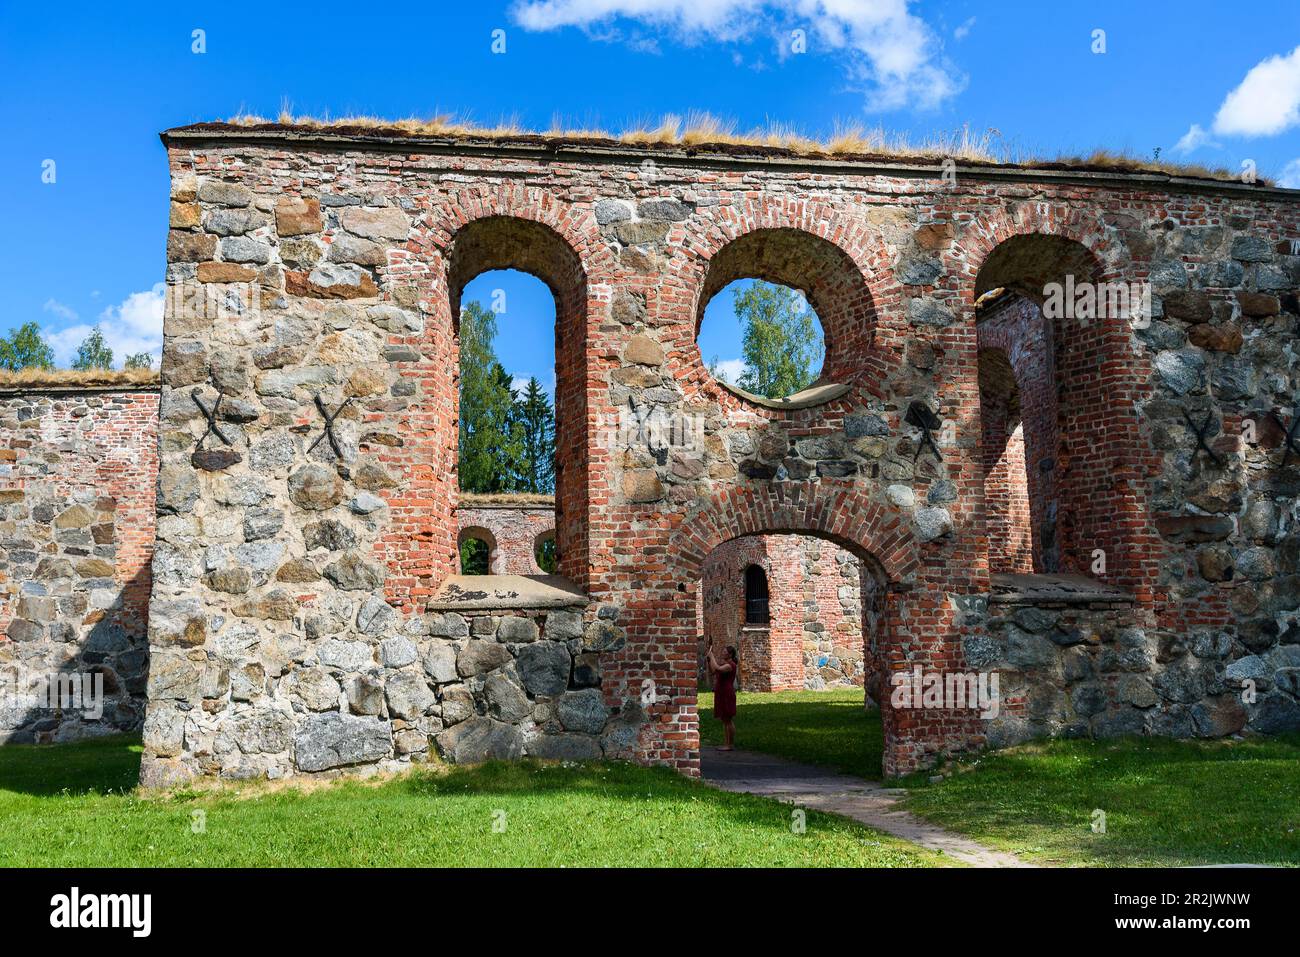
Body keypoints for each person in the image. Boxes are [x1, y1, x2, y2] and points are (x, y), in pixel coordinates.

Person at [707, 644, 739, 750]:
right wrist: (709, 660)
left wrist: (712, 657)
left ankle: (730, 744)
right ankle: (727, 743)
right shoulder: (726, 664)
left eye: (725, 652)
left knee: (728, 719)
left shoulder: (731, 665)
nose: (723, 653)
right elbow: (713, 671)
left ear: (730, 654)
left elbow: (717, 668)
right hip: (721, 693)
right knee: (724, 719)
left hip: (726, 693)